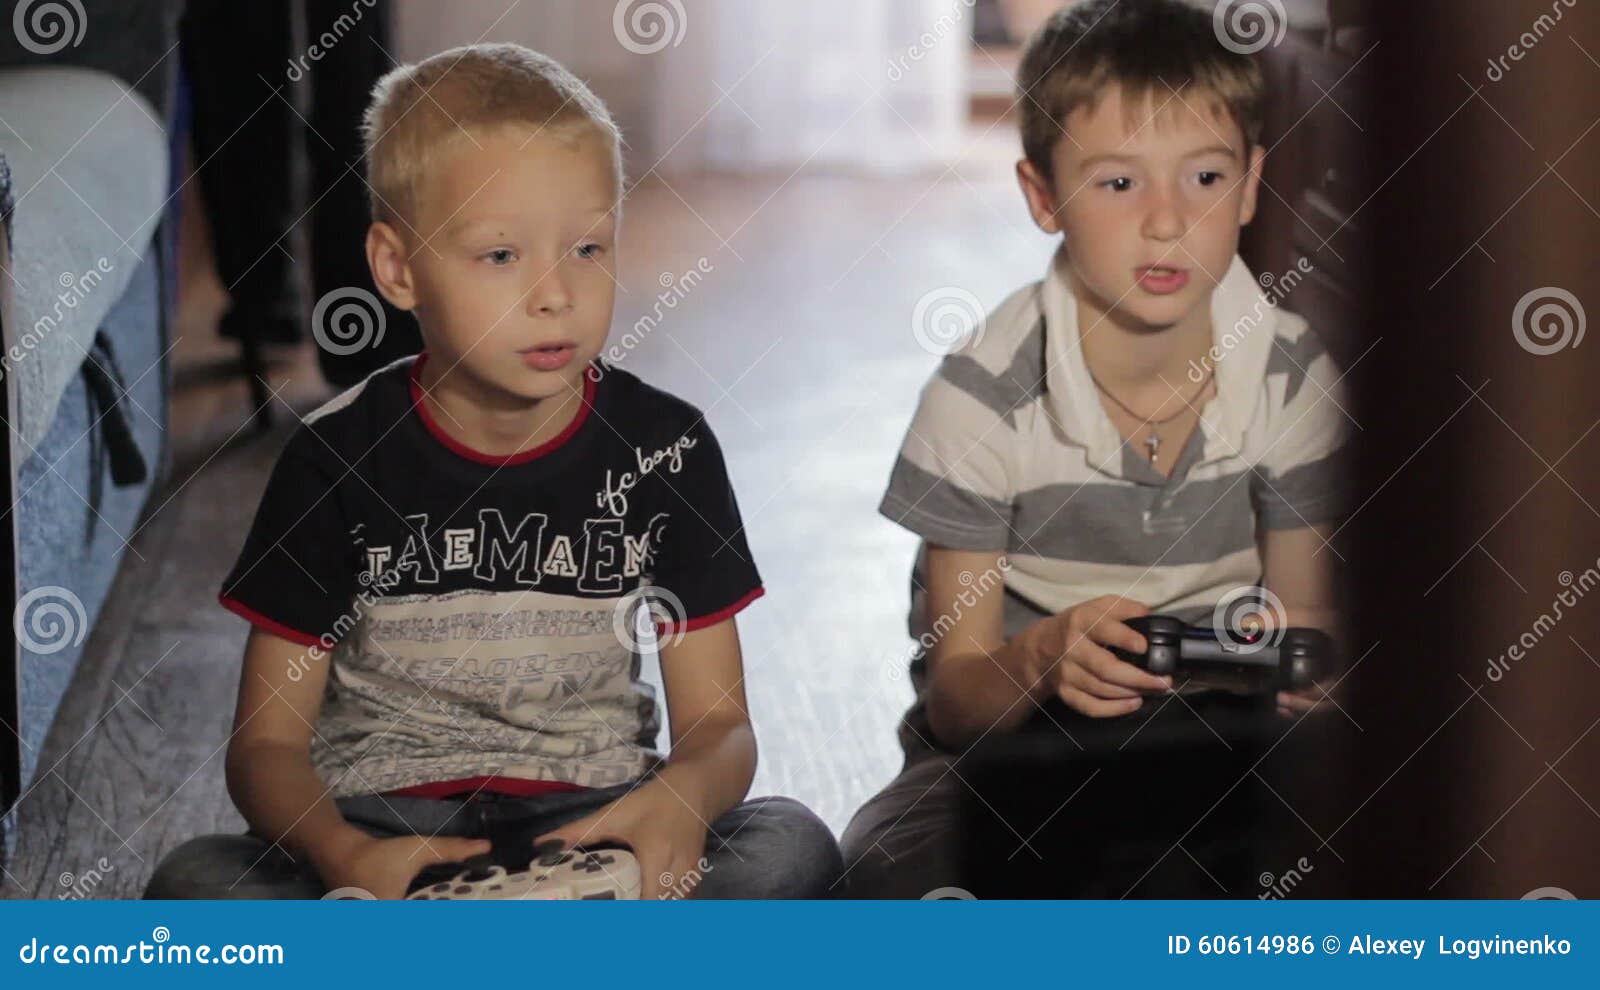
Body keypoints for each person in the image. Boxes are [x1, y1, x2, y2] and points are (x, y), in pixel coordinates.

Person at [144, 43, 840, 900]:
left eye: (588, 248)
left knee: (788, 845)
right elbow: (267, 748)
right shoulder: (333, 459)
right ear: (398, 269)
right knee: (198, 882)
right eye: (501, 256)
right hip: (387, 829)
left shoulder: (668, 447)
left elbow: (718, 723)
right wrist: (341, 852)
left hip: (598, 822)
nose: (555, 295)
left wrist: (681, 801)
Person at [838, 0, 1348, 898]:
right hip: (1013, 751)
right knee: (894, 876)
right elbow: (957, 697)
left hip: (1222, 743)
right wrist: (1042, 659)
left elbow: (1307, 628)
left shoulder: (1291, 373)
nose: (1166, 222)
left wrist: (1313, 663)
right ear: (1043, 196)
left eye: (1204, 178)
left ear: (1253, 184)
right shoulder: (980, 396)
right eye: (1119, 184)